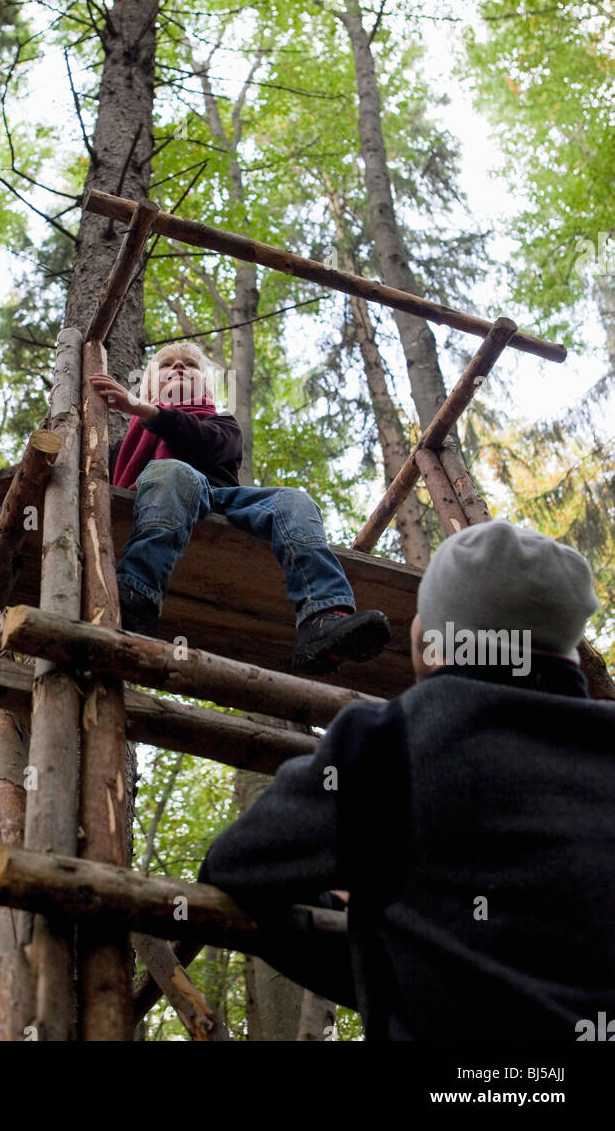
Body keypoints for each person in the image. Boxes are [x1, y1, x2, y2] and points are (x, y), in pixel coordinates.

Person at [198, 520, 615, 1041]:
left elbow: (234, 866)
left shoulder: (388, 739)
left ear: (430, 637)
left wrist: (385, 948)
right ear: (572, 652)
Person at [87, 340, 390, 676]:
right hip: (157, 494)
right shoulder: (118, 450)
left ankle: (324, 618)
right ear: (149, 386)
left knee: (294, 501)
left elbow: (204, 442)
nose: (179, 368)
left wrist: (144, 411)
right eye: (166, 364)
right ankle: (135, 595)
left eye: (190, 364)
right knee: (170, 472)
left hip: (223, 501)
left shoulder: (223, 423)